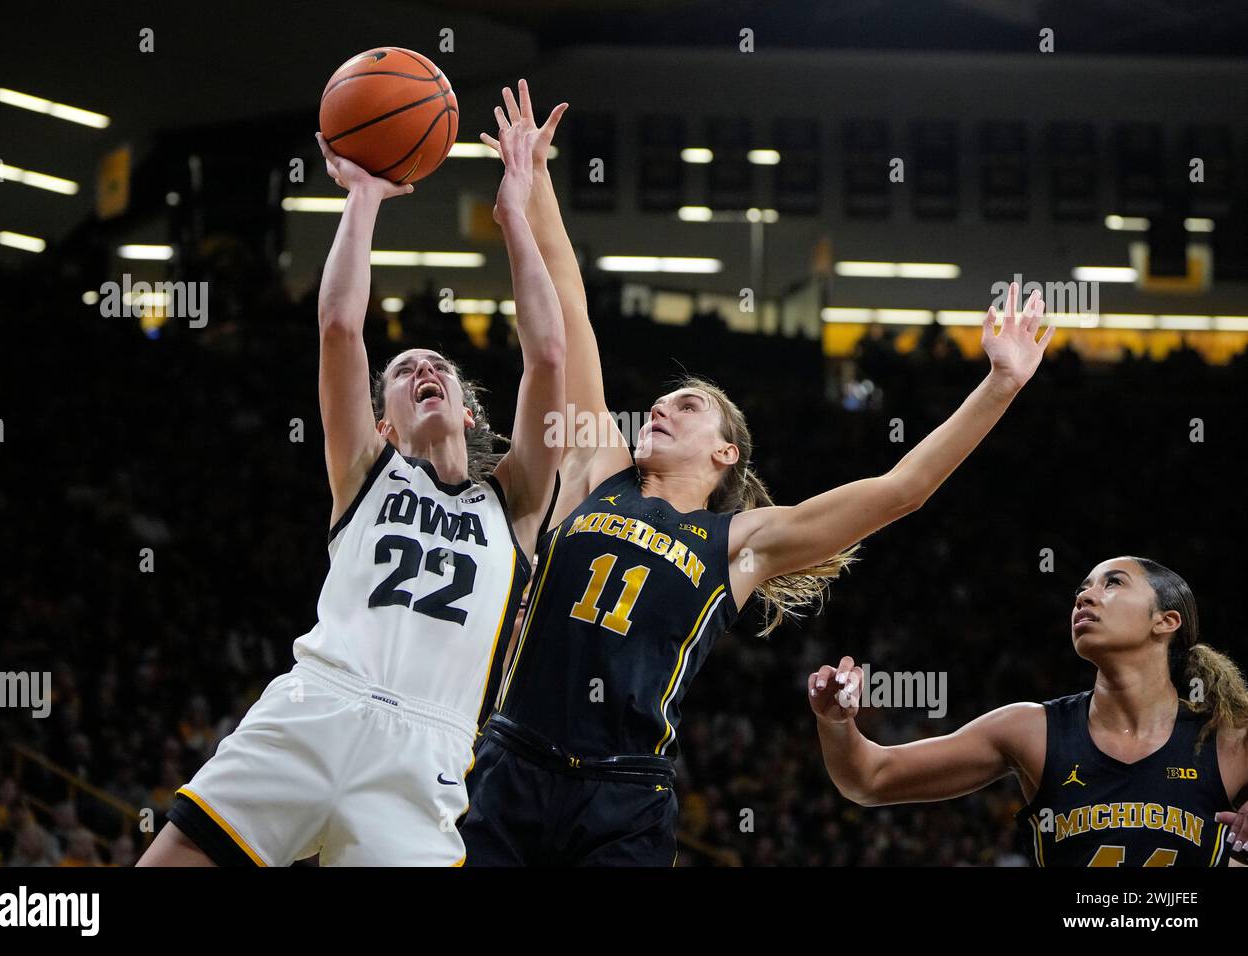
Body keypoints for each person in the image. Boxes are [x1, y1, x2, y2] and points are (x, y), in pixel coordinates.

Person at [459, 79, 1054, 866]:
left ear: (726, 453)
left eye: (687, 405)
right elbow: (570, 303)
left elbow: (901, 490)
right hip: (511, 760)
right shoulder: (596, 464)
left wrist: (1000, 385)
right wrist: (534, 181)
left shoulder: (739, 543)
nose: (660, 409)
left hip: (623, 793)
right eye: (660, 401)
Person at [139, 105, 565, 866]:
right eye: (404, 372)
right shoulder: (365, 472)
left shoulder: (518, 502)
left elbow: (550, 359)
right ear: (388, 424)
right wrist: (362, 198)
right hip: (316, 707)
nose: (423, 370)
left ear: (469, 413)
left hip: (426, 754)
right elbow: (339, 324)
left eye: (439, 368)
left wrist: (515, 213)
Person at [809, 557, 1248, 867]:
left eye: (1111, 583)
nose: (1084, 597)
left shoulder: (1227, 738)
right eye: (1082, 589)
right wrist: (836, 724)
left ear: (1165, 621)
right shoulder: (1030, 730)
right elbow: (870, 779)